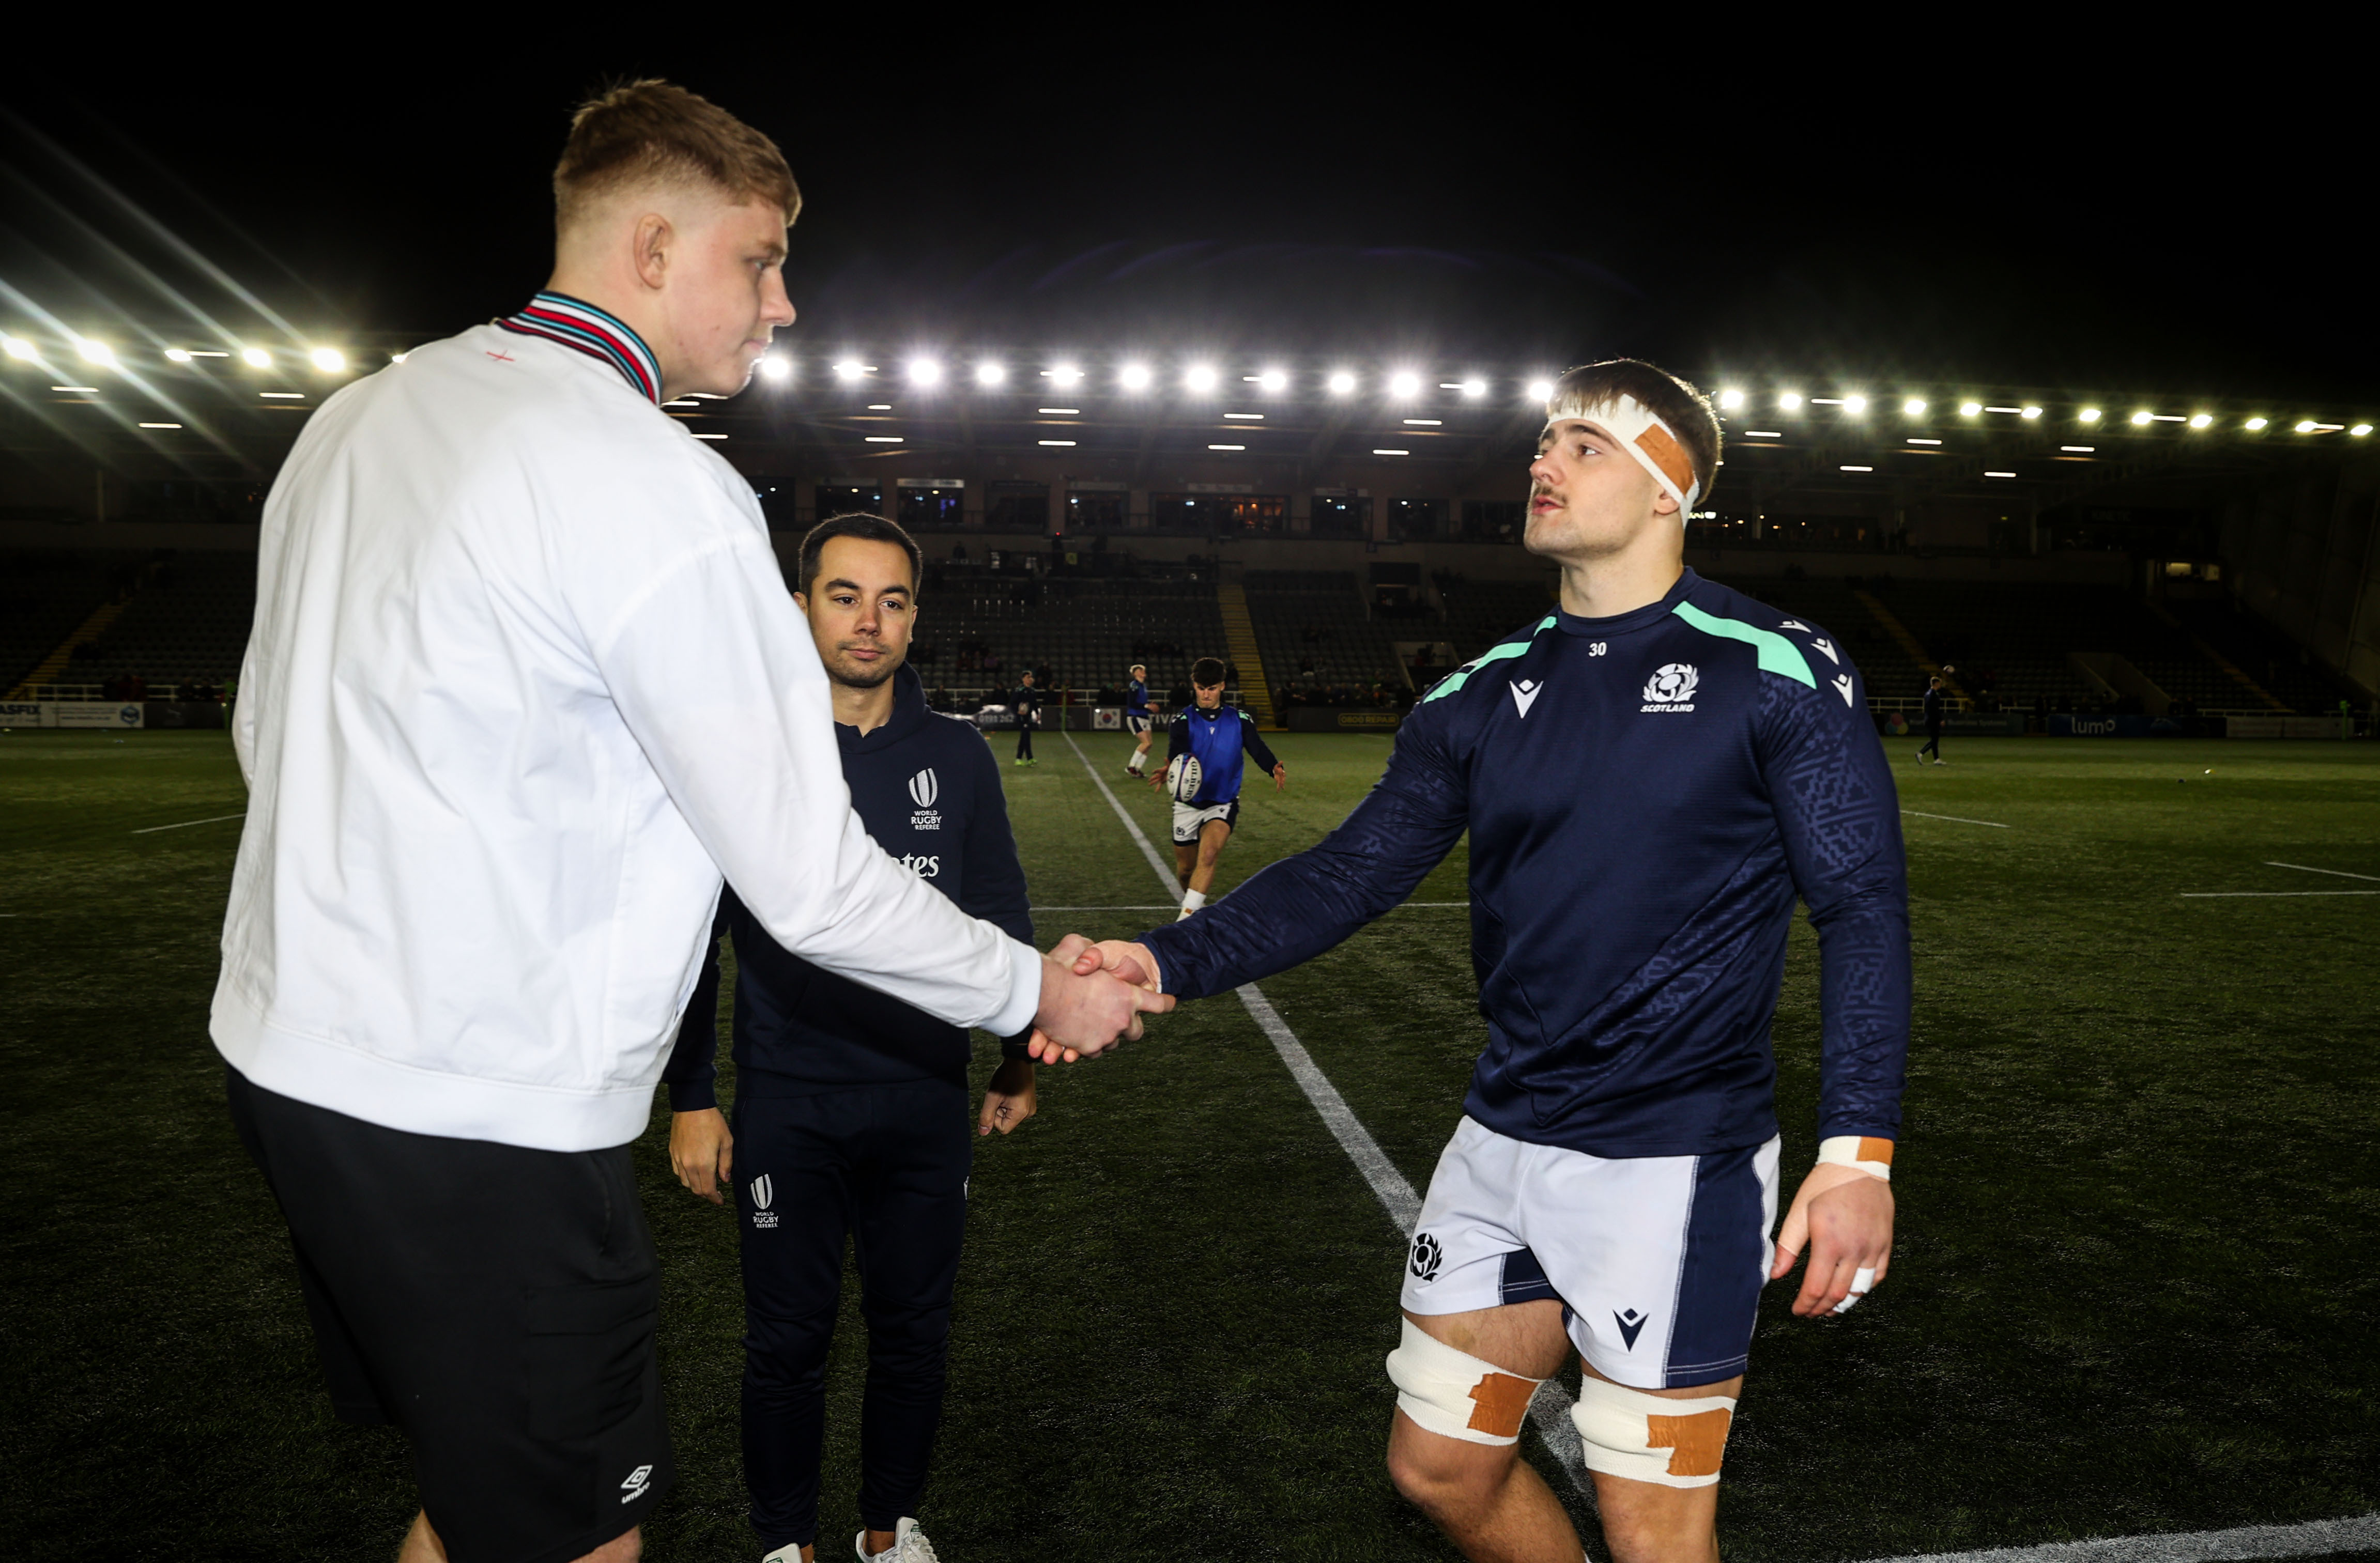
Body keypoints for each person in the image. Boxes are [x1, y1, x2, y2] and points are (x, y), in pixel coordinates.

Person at [213, 81, 1163, 1563]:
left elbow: (260, 730)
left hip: (289, 1066)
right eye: (762, 259)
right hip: (479, 1112)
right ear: (650, 247)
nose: (784, 305)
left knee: (484, 1499)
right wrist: (1035, 986)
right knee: (584, 1538)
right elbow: (809, 883)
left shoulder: (359, 416)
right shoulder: (659, 485)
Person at [1064, 360, 1908, 1563]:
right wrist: (1161, 960)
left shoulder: (1771, 669)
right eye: (1541, 439)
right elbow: (1349, 871)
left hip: (1666, 1164)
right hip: (1501, 1140)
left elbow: (1861, 903)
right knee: (1438, 1470)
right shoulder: (1480, 688)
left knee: (1652, 1533)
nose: (1541, 461)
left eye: (1581, 445)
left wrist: (1855, 1152)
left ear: (1667, 490)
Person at [666, 514, 1038, 1563]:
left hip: (924, 1099)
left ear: (916, 617)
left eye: (892, 599)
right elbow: (697, 942)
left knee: (913, 1335)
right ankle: (786, 1544)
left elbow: (998, 913)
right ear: (800, 607)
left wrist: (1014, 1058)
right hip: (791, 1101)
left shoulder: (957, 758)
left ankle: (887, 1530)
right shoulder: (749, 759)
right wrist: (694, 1096)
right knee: (785, 1341)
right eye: (843, 595)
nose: (868, 621)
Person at [1148, 656, 1285, 921]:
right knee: (1187, 870)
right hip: (1187, 804)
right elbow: (1177, 752)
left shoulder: (1240, 719)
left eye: (1211, 689)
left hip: (1223, 802)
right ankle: (1193, 905)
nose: (1206, 694)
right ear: (1194, 685)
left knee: (1209, 854)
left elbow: (1256, 747)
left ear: (1222, 686)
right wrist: (1171, 769)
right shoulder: (1182, 720)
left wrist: (1272, 767)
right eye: (1201, 688)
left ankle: (1186, 920)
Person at [1124, 661, 1154, 776]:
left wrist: (1148, 706)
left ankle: (1137, 769)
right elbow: (1132, 703)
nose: (1143, 672)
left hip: (1144, 717)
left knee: (1149, 744)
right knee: (1146, 743)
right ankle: (1131, 767)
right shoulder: (1134, 685)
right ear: (1135, 673)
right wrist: (1147, 706)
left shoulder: (1143, 686)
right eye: (1140, 670)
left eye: (1143, 671)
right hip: (1135, 717)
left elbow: (1141, 703)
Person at [1010, 670, 1040, 765]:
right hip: (1021, 717)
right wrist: (1018, 711)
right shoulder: (1019, 690)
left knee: (1026, 737)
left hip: (1028, 716)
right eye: (1028, 677)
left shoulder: (1032, 691)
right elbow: (1012, 703)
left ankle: (1028, 758)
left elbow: (1034, 703)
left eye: (1031, 677)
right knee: (1025, 736)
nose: (1030, 679)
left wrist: (1037, 713)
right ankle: (1020, 758)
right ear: (1023, 679)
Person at [1917, 674, 1946, 764]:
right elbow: (1934, 709)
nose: (1940, 685)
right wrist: (1940, 719)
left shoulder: (1928, 693)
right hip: (1933, 720)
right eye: (1939, 683)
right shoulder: (1933, 694)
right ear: (1936, 684)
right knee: (1934, 740)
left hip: (1930, 718)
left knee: (1935, 739)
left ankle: (1937, 759)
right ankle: (1921, 753)